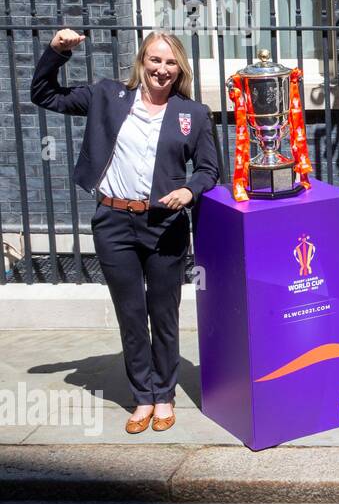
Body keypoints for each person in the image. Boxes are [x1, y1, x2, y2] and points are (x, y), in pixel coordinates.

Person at [31, 28, 219, 433]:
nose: (161, 69)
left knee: (163, 313)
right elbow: (44, 94)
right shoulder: (107, 97)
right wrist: (56, 52)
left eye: (170, 62)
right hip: (114, 222)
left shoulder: (193, 114)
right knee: (131, 314)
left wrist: (189, 189)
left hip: (164, 224)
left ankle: (165, 394)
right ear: (141, 62)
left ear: (180, 68)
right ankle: (143, 396)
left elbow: (209, 170)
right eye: (154, 60)